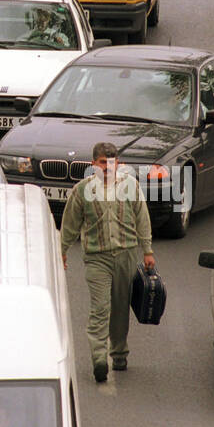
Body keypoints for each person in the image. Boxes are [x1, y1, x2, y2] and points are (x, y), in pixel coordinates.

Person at [60, 142, 156, 382]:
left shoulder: (130, 186)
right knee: (100, 308)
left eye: (112, 162)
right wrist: (61, 250)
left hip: (126, 254)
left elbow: (142, 218)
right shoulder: (82, 190)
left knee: (120, 307)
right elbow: (70, 224)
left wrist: (147, 251)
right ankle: (99, 359)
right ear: (94, 164)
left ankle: (120, 353)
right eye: (103, 162)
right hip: (97, 257)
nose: (108, 167)